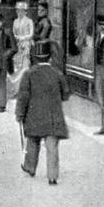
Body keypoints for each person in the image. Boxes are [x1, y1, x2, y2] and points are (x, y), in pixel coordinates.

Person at [15, 38, 70, 185]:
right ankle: (52, 176)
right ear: (50, 57)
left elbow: (23, 97)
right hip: (53, 117)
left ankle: (30, 167)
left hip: (34, 116)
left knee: (32, 142)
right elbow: (66, 94)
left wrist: (19, 114)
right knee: (52, 147)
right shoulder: (57, 73)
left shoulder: (29, 74)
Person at [8, 1, 34, 98]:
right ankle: (16, 90)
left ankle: (24, 90)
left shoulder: (29, 21)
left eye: (22, 11)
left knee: (25, 67)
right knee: (17, 67)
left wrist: (23, 38)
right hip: (18, 45)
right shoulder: (15, 21)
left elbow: (31, 34)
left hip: (26, 45)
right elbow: (14, 32)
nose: (19, 12)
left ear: (25, 12)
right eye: (18, 10)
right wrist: (17, 38)